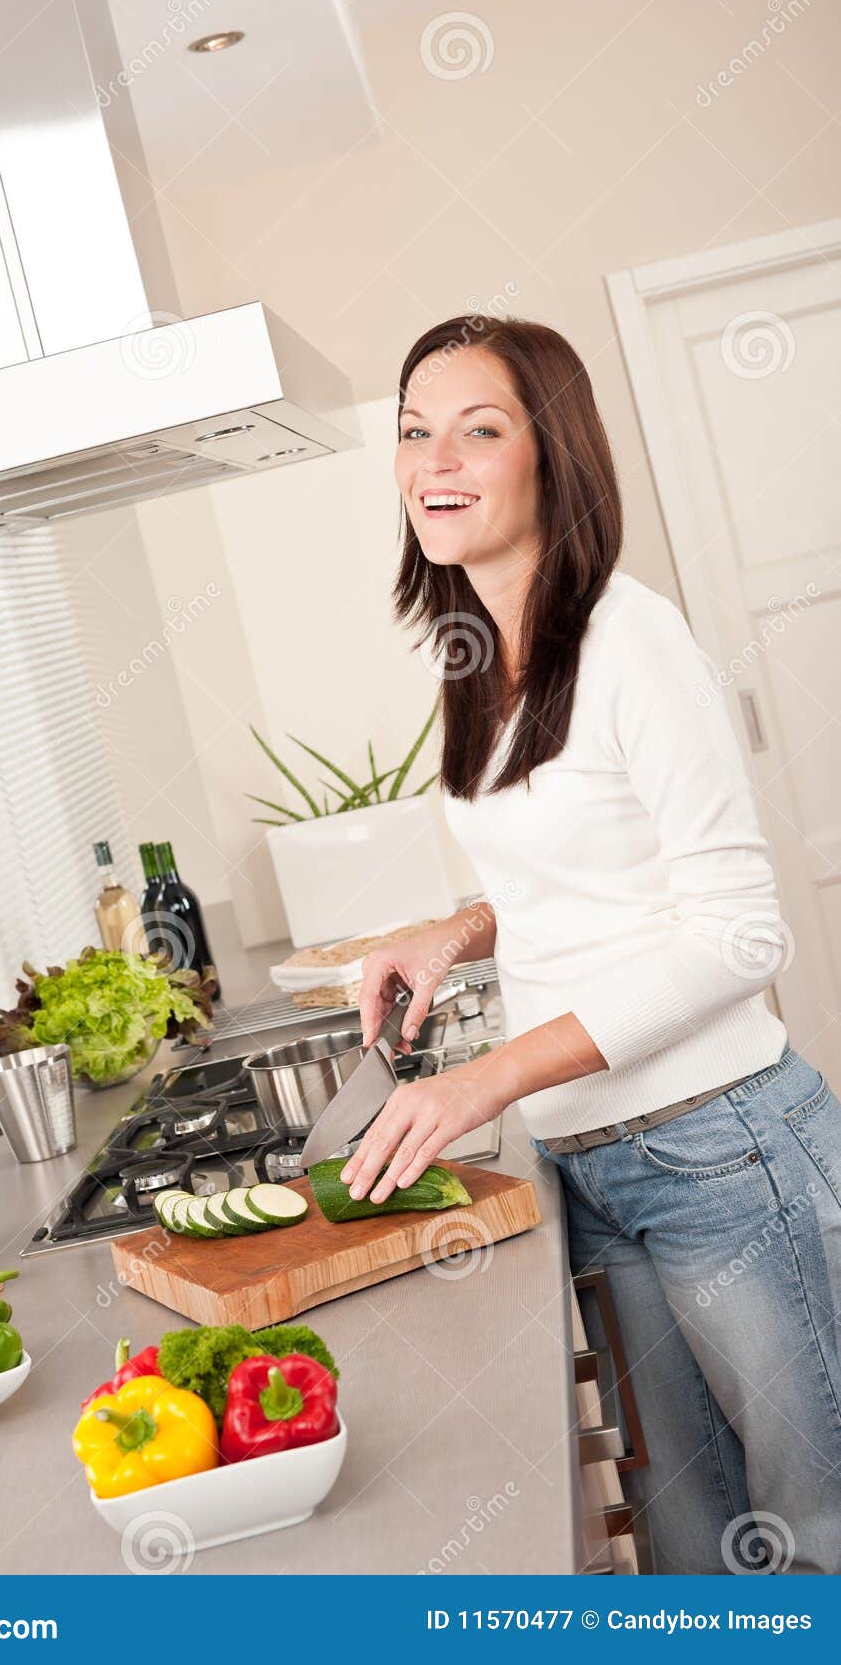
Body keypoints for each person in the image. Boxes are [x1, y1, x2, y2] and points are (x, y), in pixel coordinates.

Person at [349, 313, 841, 1575]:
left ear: (548, 455)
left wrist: (490, 1075)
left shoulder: (633, 639)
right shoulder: (479, 656)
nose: (433, 460)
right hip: (596, 1167)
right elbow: (587, 873)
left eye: (477, 427)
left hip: (720, 1148)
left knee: (812, 1536)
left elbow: (736, 932)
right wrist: (456, 928)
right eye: (412, 429)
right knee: (686, 1546)